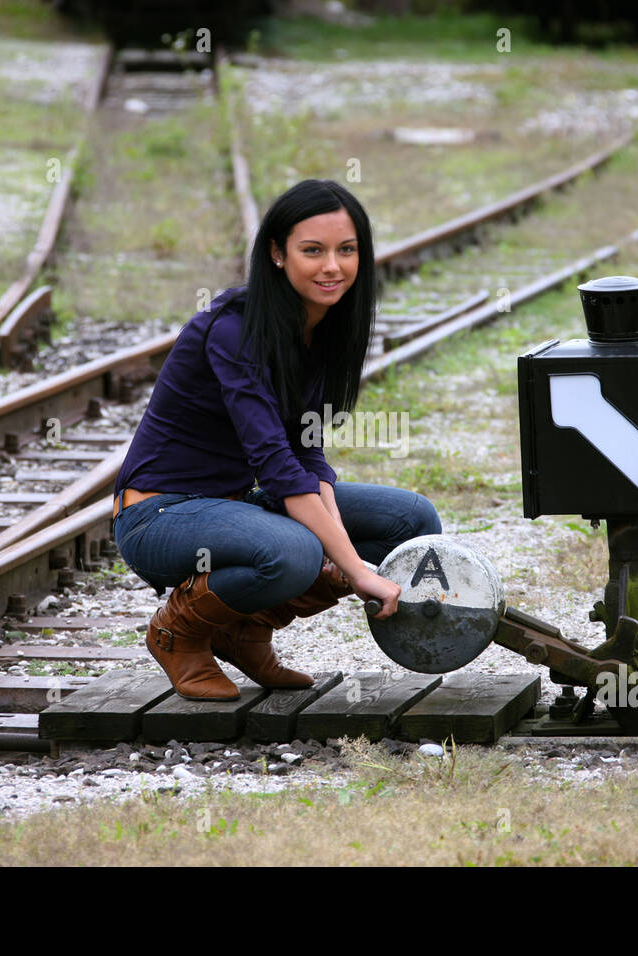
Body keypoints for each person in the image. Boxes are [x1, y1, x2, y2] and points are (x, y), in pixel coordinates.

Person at [111, 179, 442, 701]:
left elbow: (304, 454)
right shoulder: (232, 330)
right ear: (277, 254)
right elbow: (276, 466)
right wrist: (355, 570)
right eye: (313, 251)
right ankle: (179, 633)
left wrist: (338, 535)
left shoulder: (324, 329)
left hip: (238, 506)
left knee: (411, 521)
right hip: (160, 515)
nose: (332, 266)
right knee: (296, 552)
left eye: (346, 250)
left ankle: (244, 628)